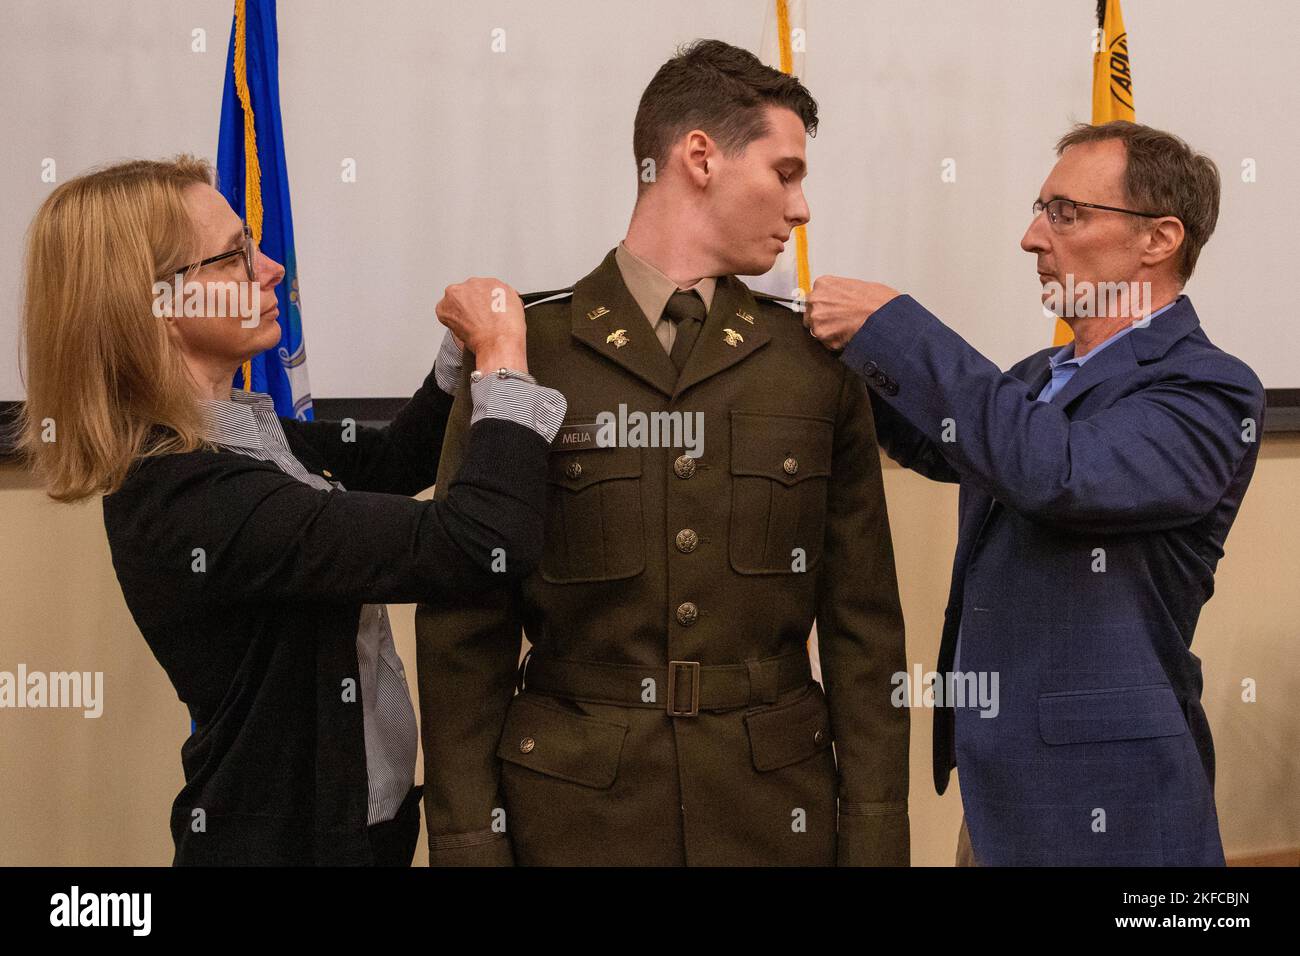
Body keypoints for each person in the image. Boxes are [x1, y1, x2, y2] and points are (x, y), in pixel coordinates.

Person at [417, 39, 909, 866]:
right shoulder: (526, 352)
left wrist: (875, 839)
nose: (802, 208)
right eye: (786, 173)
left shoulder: (814, 363)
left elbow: (865, 633)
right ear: (700, 157)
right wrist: (470, 844)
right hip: (575, 815)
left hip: (771, 814)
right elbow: (465, 633)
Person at [16, 155, 567, 865]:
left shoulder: (241, 435)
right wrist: (502, 360)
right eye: (234, 257)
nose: (272, 270)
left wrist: (462, 357)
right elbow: (478, 543)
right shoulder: (191, 496)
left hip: (360, 834)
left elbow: (389, 464)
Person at [805, 121, 1265, 866]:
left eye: (1065, 213)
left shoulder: (1209, 389)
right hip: (997, 796)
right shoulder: (1032, 378)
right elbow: (938, 441)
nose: (1031, 237)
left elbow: (1059, 473)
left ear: (1159, 239)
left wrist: (894, 327)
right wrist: (833, 353)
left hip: (1109, 801)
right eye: (1039, 209)